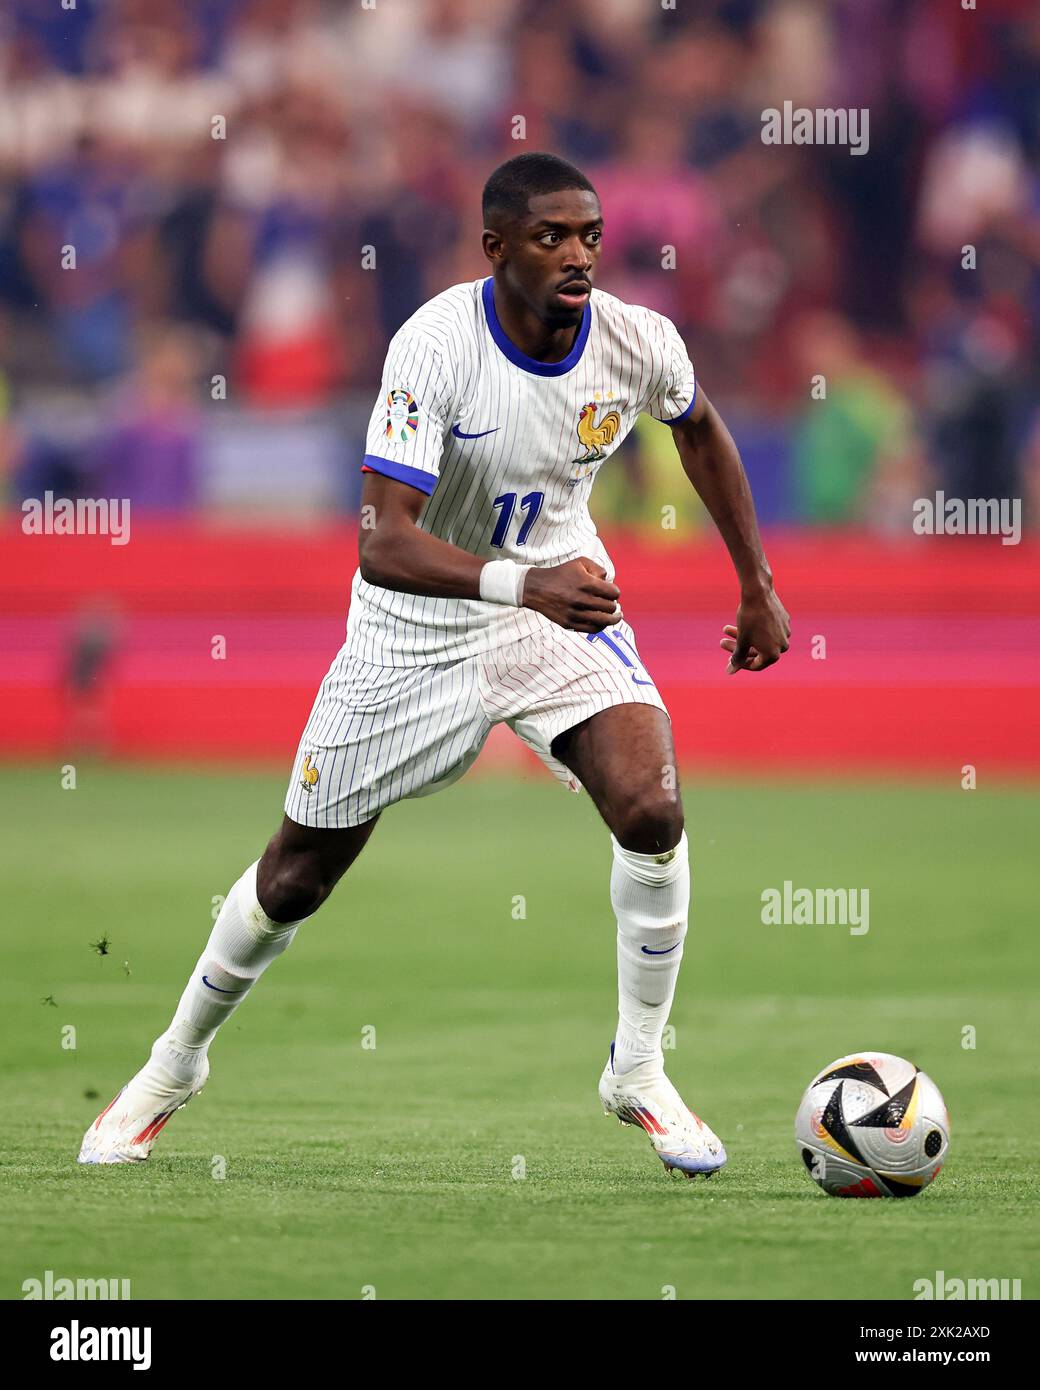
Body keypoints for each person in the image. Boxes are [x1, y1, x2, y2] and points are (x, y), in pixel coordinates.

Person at [79, 153, 790, 1177]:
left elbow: (700, 429)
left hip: (553, 602)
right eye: (550, 237)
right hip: (409, 631)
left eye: (588, 235)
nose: (576, 255)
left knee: (651, 809)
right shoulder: (433, 346)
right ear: (495, 249)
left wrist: (755, 584)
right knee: (295, 877)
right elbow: (383, 541)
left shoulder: (636, 341)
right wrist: (521, 586)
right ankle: (171, 1064)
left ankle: (637, 1069)